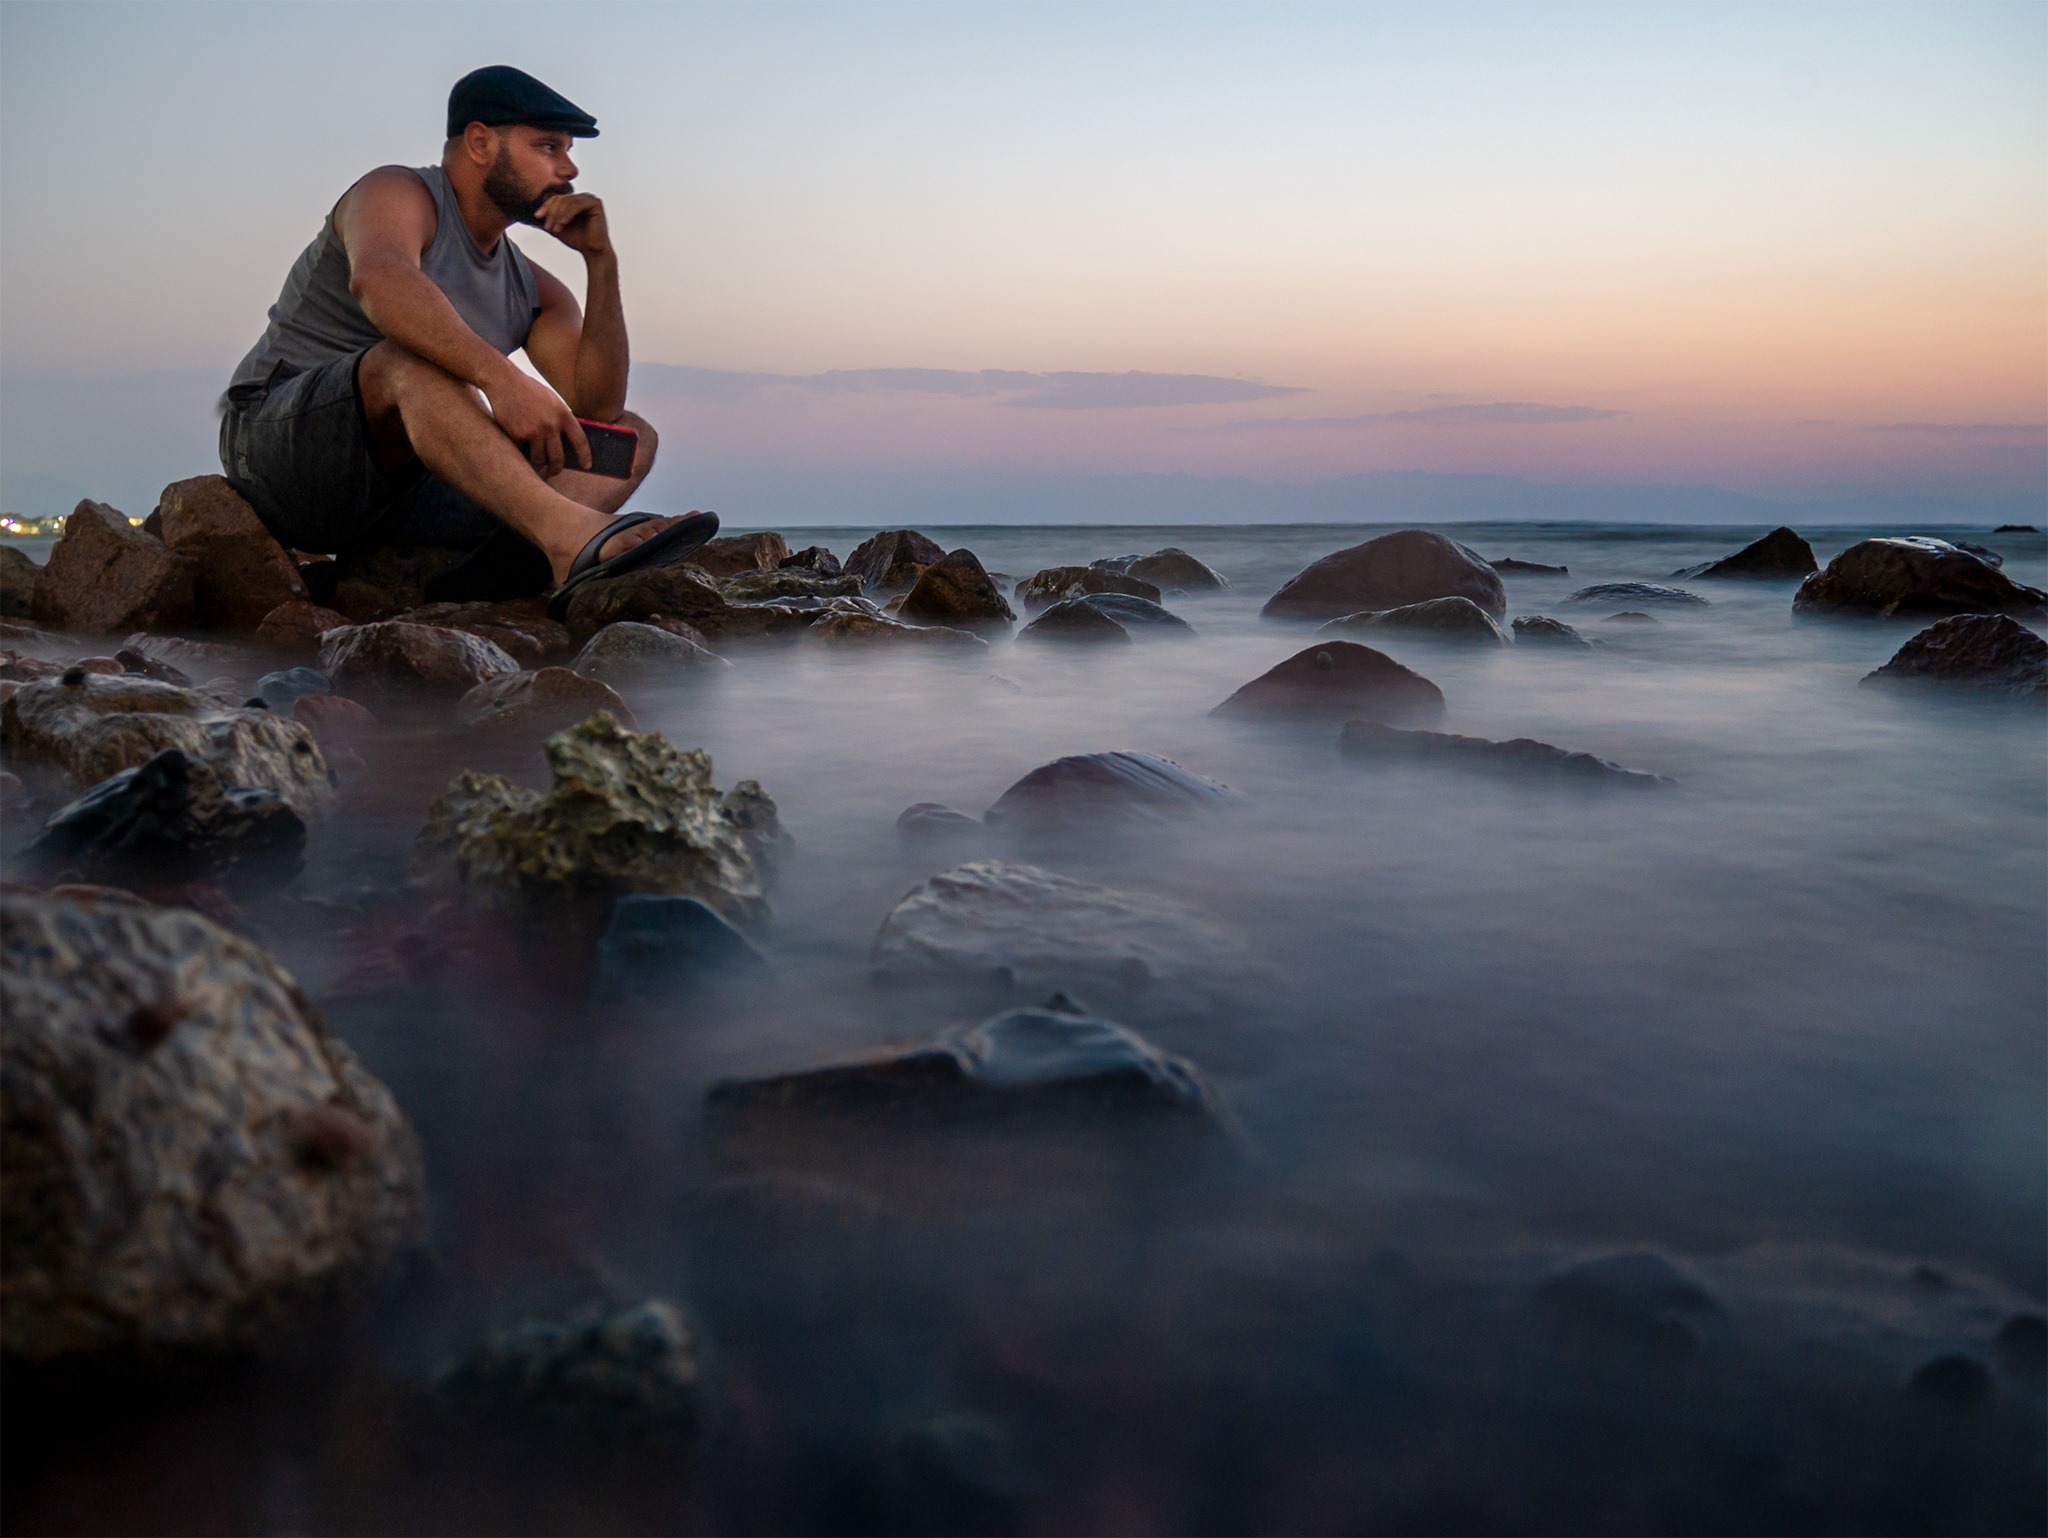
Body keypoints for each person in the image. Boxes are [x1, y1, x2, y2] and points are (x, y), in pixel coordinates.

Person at [220, 64, 714, 616]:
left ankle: (489, 576)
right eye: (548, 146)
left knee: (628, 439)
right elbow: (381, 279)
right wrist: (502, 379)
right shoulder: (396, 193)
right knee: (413, 362)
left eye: (568, 151)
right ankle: (568, 538)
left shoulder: (531, 287)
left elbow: (597, 406)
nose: (569, 168)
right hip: (282, 451)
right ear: (480, 142)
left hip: (407, 490)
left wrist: (601, 261)